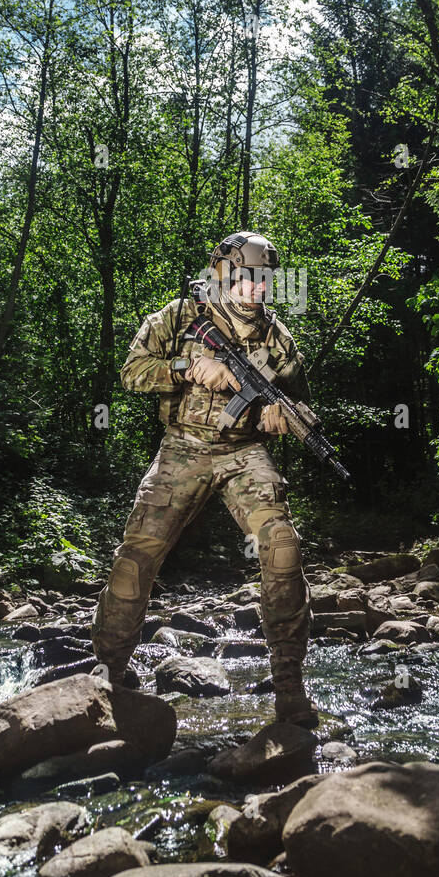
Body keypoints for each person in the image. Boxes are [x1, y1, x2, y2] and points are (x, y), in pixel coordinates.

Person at [92, 231, 318, 728]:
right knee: (137, 556)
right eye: (245, 279)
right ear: (221, 273)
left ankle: (289, 688)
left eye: (264, 281)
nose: (255, 290)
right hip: (182, 448)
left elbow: (301, 402)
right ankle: (104, 678)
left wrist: (286, 417)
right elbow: (131, 372)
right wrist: (190, 367)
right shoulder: (177, 317)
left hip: (243, 452)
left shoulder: (278, 339)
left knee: (281, 546)